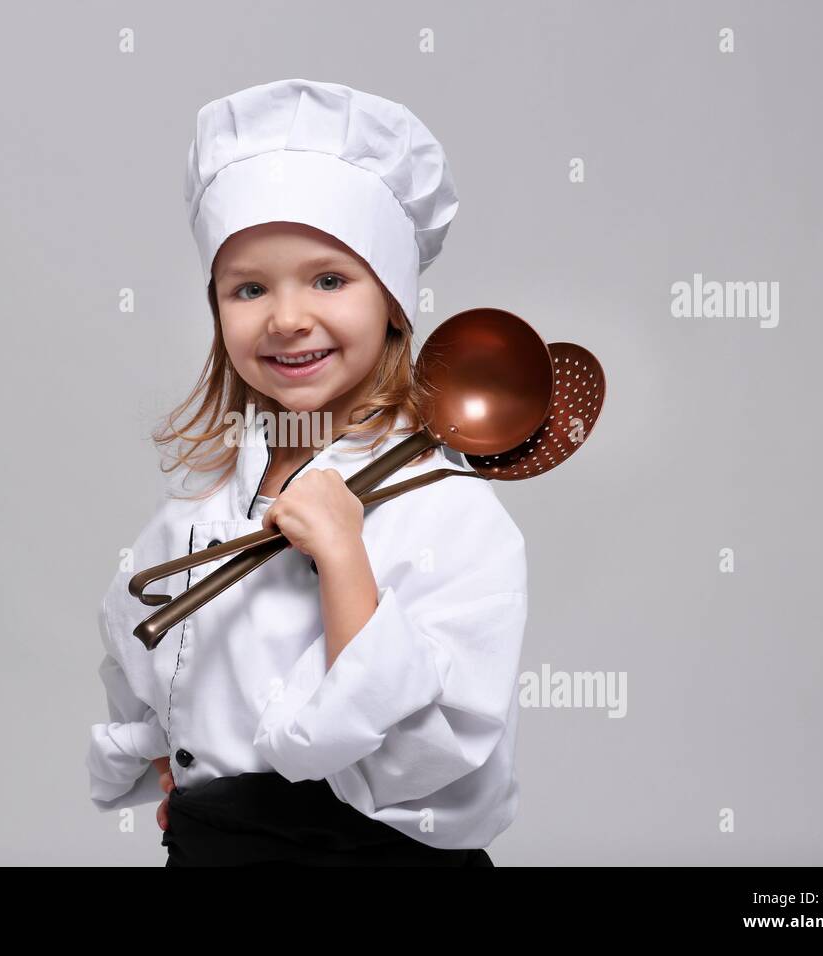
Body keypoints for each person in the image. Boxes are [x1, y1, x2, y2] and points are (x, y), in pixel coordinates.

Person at [86, 78, 528, 866]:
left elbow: (421, 760)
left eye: (329, 279)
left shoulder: (448, 508)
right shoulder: (205, 493)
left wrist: (343, 555)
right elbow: (143, 645)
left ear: (394, 299)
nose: (287, 318)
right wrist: (185, 765)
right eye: (249, 288)